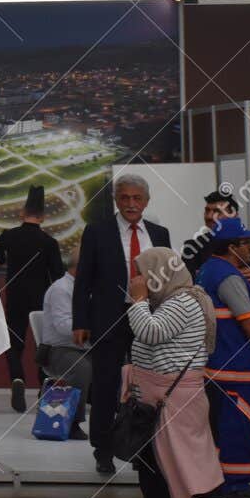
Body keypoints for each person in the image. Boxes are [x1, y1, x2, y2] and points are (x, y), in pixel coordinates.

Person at [122, 247, 226, 498]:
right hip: (156, 401)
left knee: (188, 473)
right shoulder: (164, 302)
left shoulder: (183, 301)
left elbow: (151, 333)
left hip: (175, 403)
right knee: (153, 473)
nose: (137, 278)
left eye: (142, 271)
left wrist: (138, 300)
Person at [74, 173, 171, 476]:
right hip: (108, 320)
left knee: (149, 386)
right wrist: (80, 321)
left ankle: (144, 449)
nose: (131, 204)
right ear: (116, 200)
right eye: (125, 197)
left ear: (146, 201)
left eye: (136, 198)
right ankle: (103, 450)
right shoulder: (97, 231)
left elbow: (168, 278)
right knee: (105, 386)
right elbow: (83, 281)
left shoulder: (160, 233)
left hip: (151, 320)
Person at [193, 217, 250, 498]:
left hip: (217, 367)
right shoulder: (230, 278)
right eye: (246, 242)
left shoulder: (208, 270)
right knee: (239, 427)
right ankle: (236, 486)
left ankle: (224, 482)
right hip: (238, 370)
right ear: (232, 247)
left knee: (222, 428)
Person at [0, 185, 65, 412]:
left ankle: (17, 379)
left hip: (15, 297)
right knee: (45, 345)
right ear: (43, 217)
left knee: (14, 343)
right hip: (42, 300)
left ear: (22, 213)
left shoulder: (9, 236)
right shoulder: (49, 243)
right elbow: (58, 276)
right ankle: (44, 387)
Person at [37, 264, 90, 439]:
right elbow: (63, 327)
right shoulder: (61, 289)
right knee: (82, 369)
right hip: (58, 350)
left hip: (85, 348)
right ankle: (72, 421)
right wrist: (93, 329)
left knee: (118, 361)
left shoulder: (90, 288)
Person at [184, 190, 240, 278]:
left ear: (233, 215)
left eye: (217, 212)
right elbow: (188, 285)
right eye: (207, 210)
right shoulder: (193, 248)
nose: (209, 216)